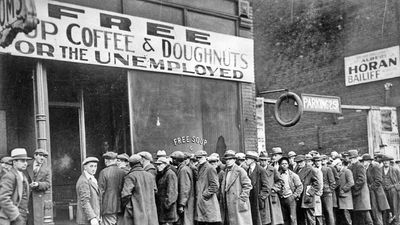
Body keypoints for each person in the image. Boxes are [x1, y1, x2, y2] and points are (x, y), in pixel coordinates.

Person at [120, 154, 158, 225]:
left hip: (135, 212)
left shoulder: (130, 176)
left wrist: (126, 206)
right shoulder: (149, 175)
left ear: (130, 164)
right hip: (150, 212)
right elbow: (155, 190)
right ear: (141, 163)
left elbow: (125, 195)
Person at [220, 150, 253, 225]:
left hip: (237, 203)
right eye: (226, 159)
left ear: (234, 160)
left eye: (230, 159)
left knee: (240, 222)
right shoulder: (226, 171)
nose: (228, 161)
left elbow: (248, 186)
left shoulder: (240, 171)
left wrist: (242, 199)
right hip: (229, 203)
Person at [0, 148, 32, 225]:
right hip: (12, 218)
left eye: (26, 161)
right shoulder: (9, 176)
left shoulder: (22, 175)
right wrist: (16, 215)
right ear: (14, 162)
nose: (25, 163)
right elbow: (4, 198)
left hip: (23, 215)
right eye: (22, 161)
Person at [194, 150, 221, 225]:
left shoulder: (210, 168)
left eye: (200, 158)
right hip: (202, 202)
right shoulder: (199, 167)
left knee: (208, 221)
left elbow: (215, 185)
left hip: (208, 201)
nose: (198, 159)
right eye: (197, 158)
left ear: (205, 157)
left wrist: (205, 195)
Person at [98, 151, 126, 225]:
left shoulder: (103, 172)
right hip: (120, 206)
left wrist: (99, 210)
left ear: (106, 161)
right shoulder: (123, 172)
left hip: (108, 207)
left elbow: (100, 192)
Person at [362, 153, 389, 225]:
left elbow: (379, 180)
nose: (363, 163)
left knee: (377, 213)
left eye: (364, 161)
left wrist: (371, 187)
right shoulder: (365, 169)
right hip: (371, 193)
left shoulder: (374, 167)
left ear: (368, 161)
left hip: (376, 193)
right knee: (373, 214)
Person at [347, 149, 372, 225]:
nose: (350, 160)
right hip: (356, 194)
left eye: (351, 158)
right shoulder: (351, 166)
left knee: (365, 214)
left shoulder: (359, 166)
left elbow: (361, 179)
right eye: (350, 158)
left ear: (355, 158)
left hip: (361, 194)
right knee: (358, 215)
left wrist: (354, 189)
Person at [25, 149, 51, 225]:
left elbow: (48, 184)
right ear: (35, 156)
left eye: (44, 156)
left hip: (38, 198)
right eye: (40, 155)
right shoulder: (26, 164)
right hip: (25, 197)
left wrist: (38, 184)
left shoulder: (47, 168)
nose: (42, 158)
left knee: (37, 221)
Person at [244, 151, 269, 225]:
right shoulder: (247, 170)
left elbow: (266, 187)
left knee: (259, 221)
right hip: (250, 200)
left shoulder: (261, 170)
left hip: (258, 201)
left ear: (252, 160)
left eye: (247, 159)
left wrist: (260, 197)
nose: (245, 160)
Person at [295, 154, 320, 225]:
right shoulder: (296, 170)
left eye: (300, 162)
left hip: (307, 197)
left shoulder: (310, 170)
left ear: (305, 161)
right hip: (299, 197)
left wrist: (309, 192)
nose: (299, 164)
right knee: (300, 217)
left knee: (310, 217)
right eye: (297, 162)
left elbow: (317, 184)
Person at [171, 151, 195, 225]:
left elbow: (184, 188)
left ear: (176, 160)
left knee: (186, 221)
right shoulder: (184, 168)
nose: (172, 160)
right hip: (187, 201)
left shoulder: (183, 170)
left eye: (173, 159)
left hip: (186, 202)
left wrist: (181, 205)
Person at [76, 157, 101, 225]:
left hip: (92, 217)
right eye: (91, 166)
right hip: (87, 220)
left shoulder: (91, 178)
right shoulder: (84, 181)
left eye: (95, 166)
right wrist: (92, 218)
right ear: (85, 167)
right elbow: (85, 202)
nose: (94, 168)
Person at [278, 156, 303, 225]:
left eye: (286, 163)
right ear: (280, 165)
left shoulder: (293, 175)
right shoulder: (278, 175)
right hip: (282, 198)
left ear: (288, 165)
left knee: (292, 217)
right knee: (284, 218)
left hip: (290, 198)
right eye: (282, 164)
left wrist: (294, 196)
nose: (284, 165)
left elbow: (300, 186)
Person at [155, 156, 178, 225]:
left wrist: (167, 205)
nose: (158, 166)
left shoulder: (170, 174)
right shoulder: (163, 174)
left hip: (167, 210)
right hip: (164, 209)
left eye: (160, 164)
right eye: (157, 165)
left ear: (165, 164)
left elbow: (172, 192)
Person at [332, 158, 354, 225]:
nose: (335, 169)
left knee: (347, 215)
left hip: (346, 196)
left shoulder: (347, 171)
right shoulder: (338, 173)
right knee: (342, 216)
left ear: (340, 165)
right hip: (340, 197)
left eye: (336, 167)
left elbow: (351, 182)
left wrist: (343, 189)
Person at [264, 151, 284, 225]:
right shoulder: (259, 170)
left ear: (267, 161)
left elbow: (280, 181)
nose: (263, 162)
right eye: (261, 160)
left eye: (265, 160)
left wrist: (274, 189)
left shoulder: (273, 169)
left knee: (274, 219)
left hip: (272, 196)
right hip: (263, 196)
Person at [381, 154, 400, 225]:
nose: (385, 162)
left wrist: (393, 187)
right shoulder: (380, 170)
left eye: (387, 161)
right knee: (385, 208)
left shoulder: (395, 170)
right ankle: (386, 222)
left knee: (394, 207)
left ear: (389, 162)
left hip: (393, 192)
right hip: (383, 192)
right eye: (384, 161)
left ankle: (396, 222)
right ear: (382, 162)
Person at [319, 155, 336, 225]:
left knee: (329, 212)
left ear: (321, 162)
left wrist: (329, 190)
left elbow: (333, 182)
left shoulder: (327, 169)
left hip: (327, 194)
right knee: (322, 213)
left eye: (319, 161)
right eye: (315, 161)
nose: (317, 163)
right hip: (319, 193)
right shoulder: (314, 170)